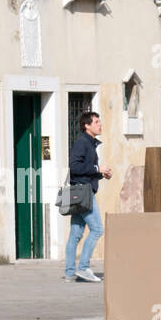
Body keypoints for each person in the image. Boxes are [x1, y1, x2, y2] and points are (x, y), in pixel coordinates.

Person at [65, 110, 112, 282]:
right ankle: (83, 267)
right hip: (83, 191)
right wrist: (96, 169)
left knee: (75, 234)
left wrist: (101, 174)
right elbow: (75, 166)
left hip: (80, 190)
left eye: (99, 121)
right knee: (97, 229)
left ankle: (70, 273)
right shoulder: (82, 142)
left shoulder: (90, 143)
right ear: (87, 125)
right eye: (96, 122)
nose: (100, 124)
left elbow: (87, 169)